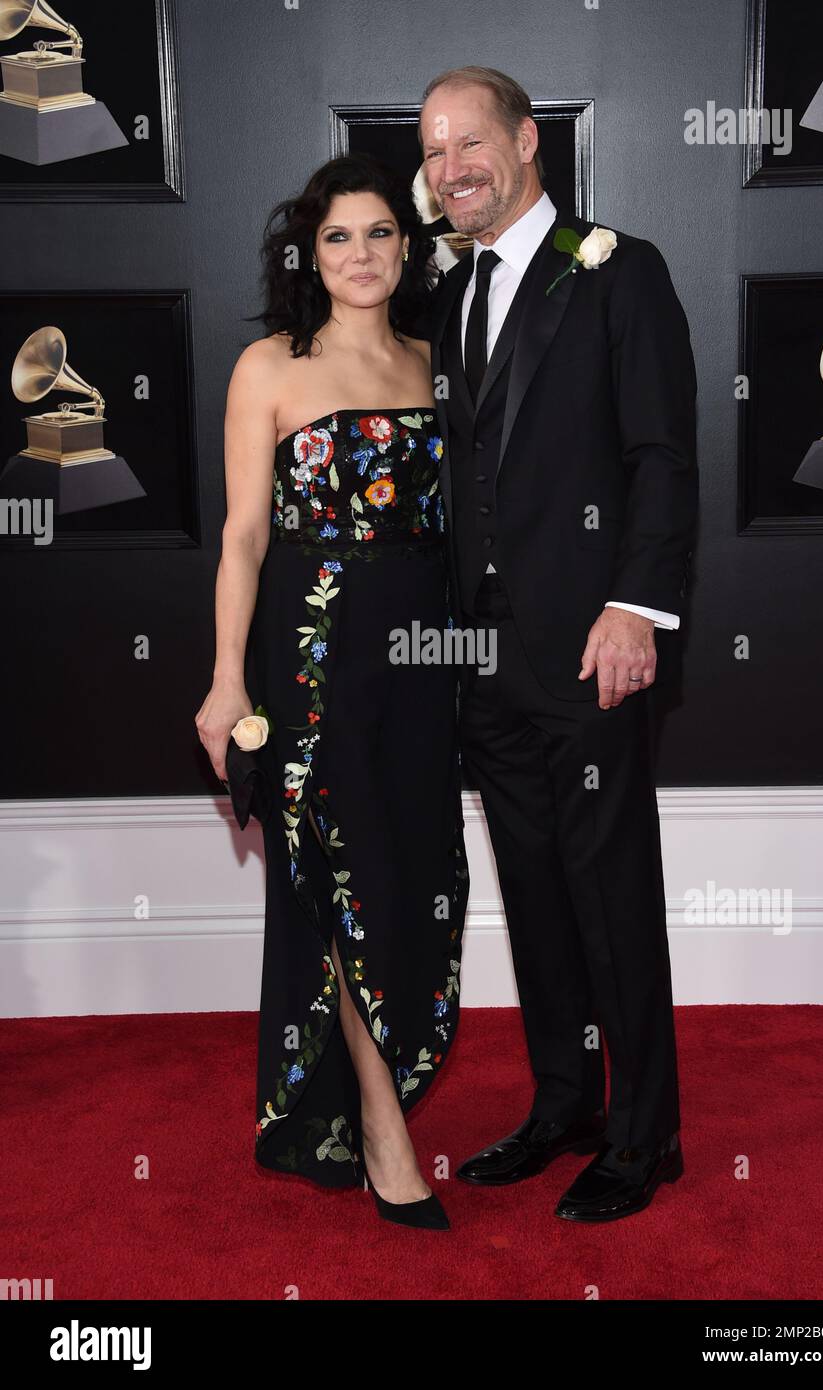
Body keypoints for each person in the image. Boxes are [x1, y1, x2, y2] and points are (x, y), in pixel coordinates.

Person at [420, 67, 698, 1222]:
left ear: (528, 141)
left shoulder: (615, 271)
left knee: (607, 886)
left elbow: (660, 456)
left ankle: (645, 1137)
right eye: (432, 155)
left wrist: (635, 605)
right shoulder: (443, 297)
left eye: (469, 144)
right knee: (530, 889)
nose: (450, 171)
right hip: (476, 663)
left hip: (589, 650)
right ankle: (563, 1102)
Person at [195, 153, 468, 1231]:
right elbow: (244, 536)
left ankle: (370, 1090)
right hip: (310, 652)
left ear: (409, 250)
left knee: (409, 873)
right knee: (340, 876)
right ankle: (384, 1135)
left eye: (379, 235)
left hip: (422, 651)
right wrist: (225, 681)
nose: (360, 255)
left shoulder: (437, 360)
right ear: (310, 257)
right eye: (337, 239)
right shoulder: (268, 366)